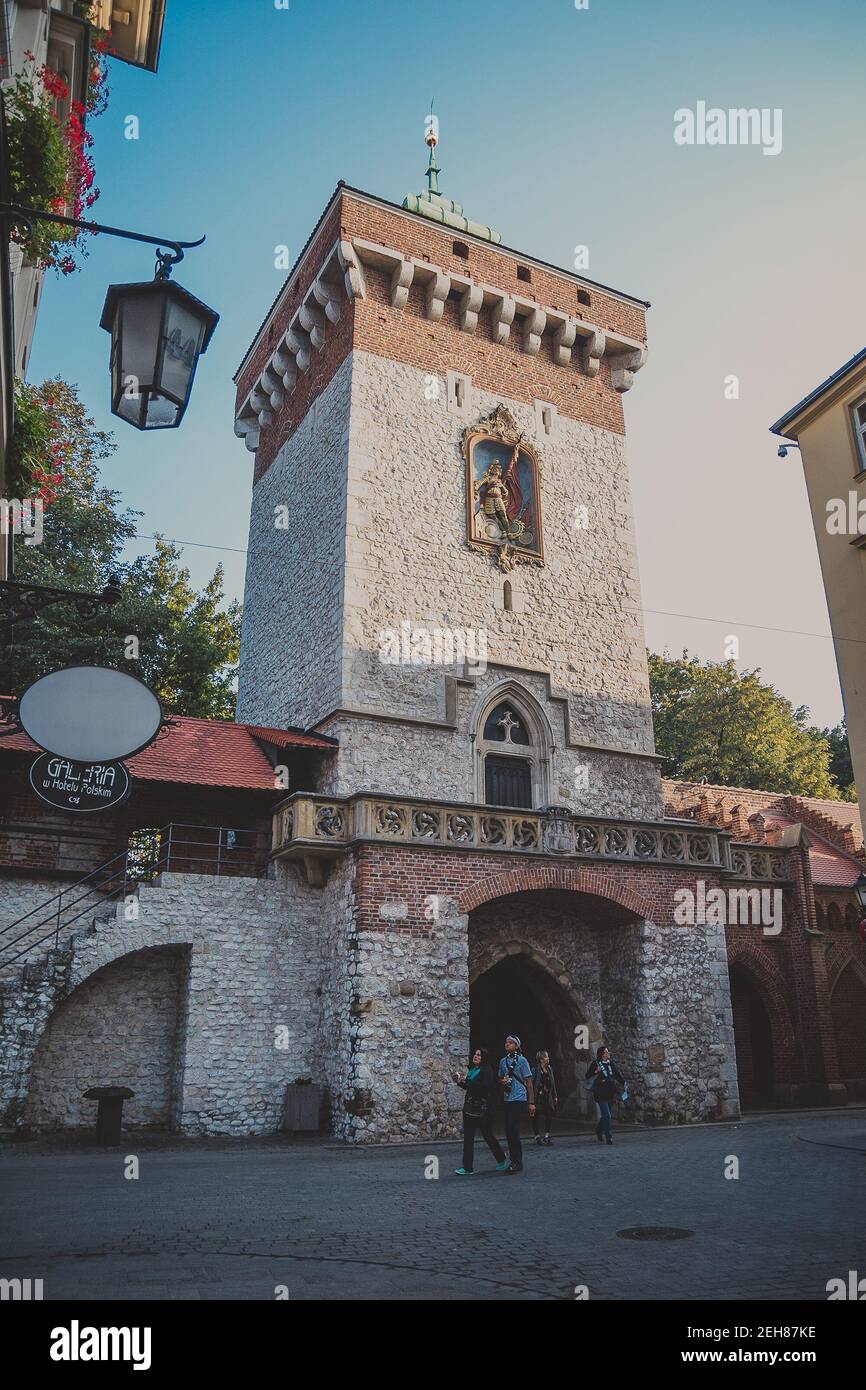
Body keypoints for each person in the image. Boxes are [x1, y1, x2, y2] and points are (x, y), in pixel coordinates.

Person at [451, 1048, 509, 1176]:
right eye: (475, 1054)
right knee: (468, 1138)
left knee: (488, 1136)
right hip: (470, 1108)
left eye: (479, 1055)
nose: (476, 1056)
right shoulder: (473, 1070)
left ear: (484, 1057)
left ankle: (501, 1158)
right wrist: (460, 1082)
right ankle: (467, 1167)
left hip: (482, 1109)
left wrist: (467, 1081)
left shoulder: (486, 1070)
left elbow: (484, 1088)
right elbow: (469, 1087)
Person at [498, 1034, 535, 1174]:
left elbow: (529, 1081)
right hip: (507, 1097)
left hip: (519, 1098)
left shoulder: (522, 1060)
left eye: (510, 1043)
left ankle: (517, 1161)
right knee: (508, 1130)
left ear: (517, 1046)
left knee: (513, 1128)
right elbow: (500, 1077)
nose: (507, 1044)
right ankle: (514, 1159)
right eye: (506, 1042)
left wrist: (531, 1102)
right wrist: (501, 1081)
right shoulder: (502, 1061)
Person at [585, 1044, 625, 1146]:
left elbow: (617, 1075)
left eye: (608, 1052)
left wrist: (624, 1083)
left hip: (609, 1093)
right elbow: (587, 1075)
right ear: (602, 1054)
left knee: (606, 1116)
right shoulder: (596, 1063)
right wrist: (595, 1071)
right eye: (606, 1052)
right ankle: (609, 1136)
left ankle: (598, 1129)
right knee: (607, 1115)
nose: (608, 1053)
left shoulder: (610, 1064)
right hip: (600, 1093)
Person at [531, 1050, 557, 1145]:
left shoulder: (549, 1069)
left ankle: (547, 1135)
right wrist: (531, 1098)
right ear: (541, 1059)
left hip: (547, 1095)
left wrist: (555, 1096)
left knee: (549, 1114)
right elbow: (531, 1083)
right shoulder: (535, 1069)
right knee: (535, 1116)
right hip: (538, 1096)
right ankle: (537, 1135)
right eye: (546, 1057)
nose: (548, 1058)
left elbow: (553, 1083)